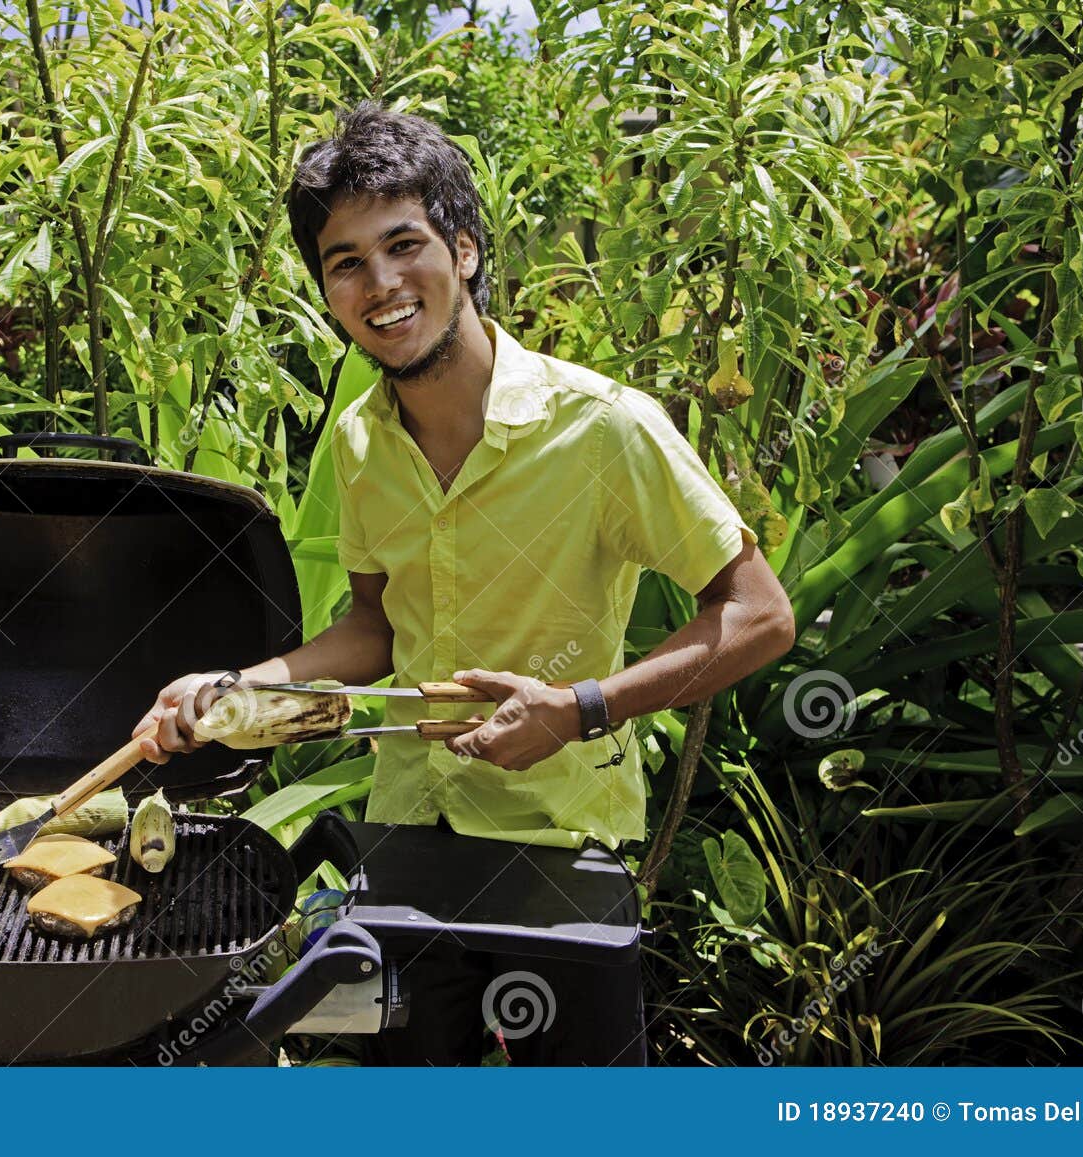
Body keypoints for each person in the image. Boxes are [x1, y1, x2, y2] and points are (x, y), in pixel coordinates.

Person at [132, 102, 796, 1065]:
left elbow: (758, 614)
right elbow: (373, 629)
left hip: (560, 848)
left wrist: (579, 708)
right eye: (346, 261)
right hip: (406, 839)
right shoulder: (359, 442)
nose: (382, 283)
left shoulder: (604, 426)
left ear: (467, 250)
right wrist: (238, 686)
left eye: (405, 244)